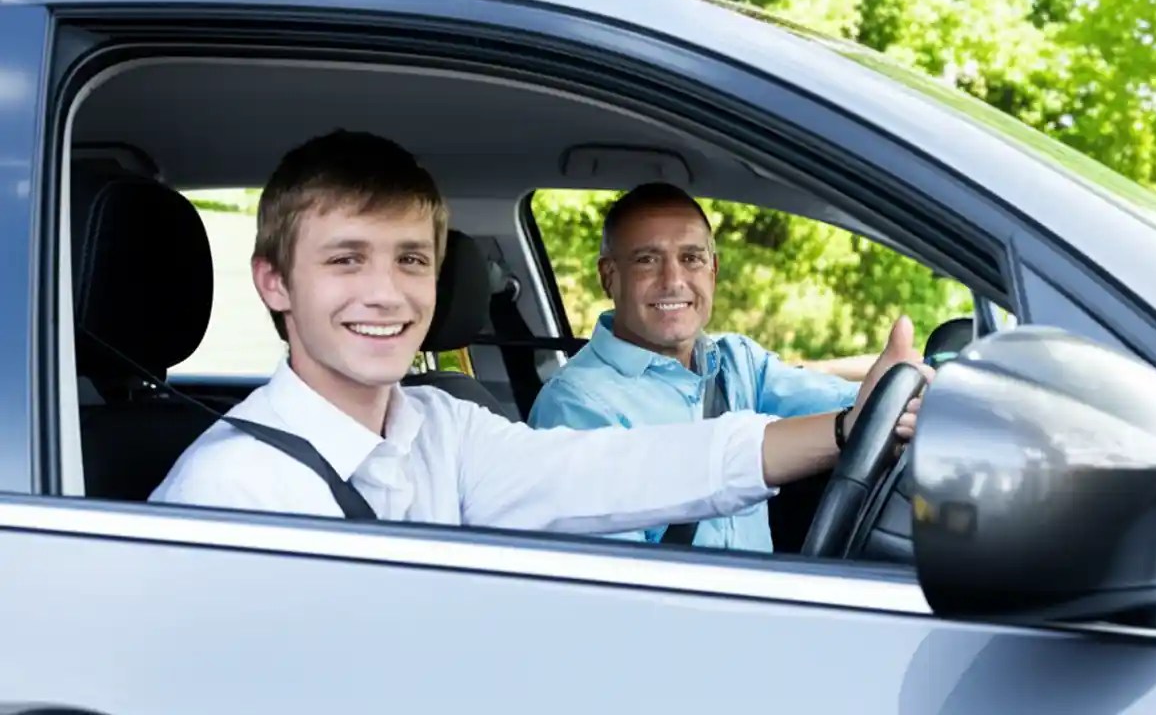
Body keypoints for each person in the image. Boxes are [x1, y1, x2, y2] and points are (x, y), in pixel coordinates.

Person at [149, 130, 930, 536]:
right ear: (275, 283)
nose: (386, 294)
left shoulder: (442, 430)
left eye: (412, 260)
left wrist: (846, 428)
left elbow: (619, 470)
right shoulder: (229, 491)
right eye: (346, 261)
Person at [528, 183, 909, 551]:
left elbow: (866, 409)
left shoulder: (737, 363)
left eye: (691, 258)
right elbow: (606, 584)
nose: (673, 281)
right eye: (647, 260)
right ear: (609, 276)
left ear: (713, 269)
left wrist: (907, 393)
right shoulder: (575, 407)